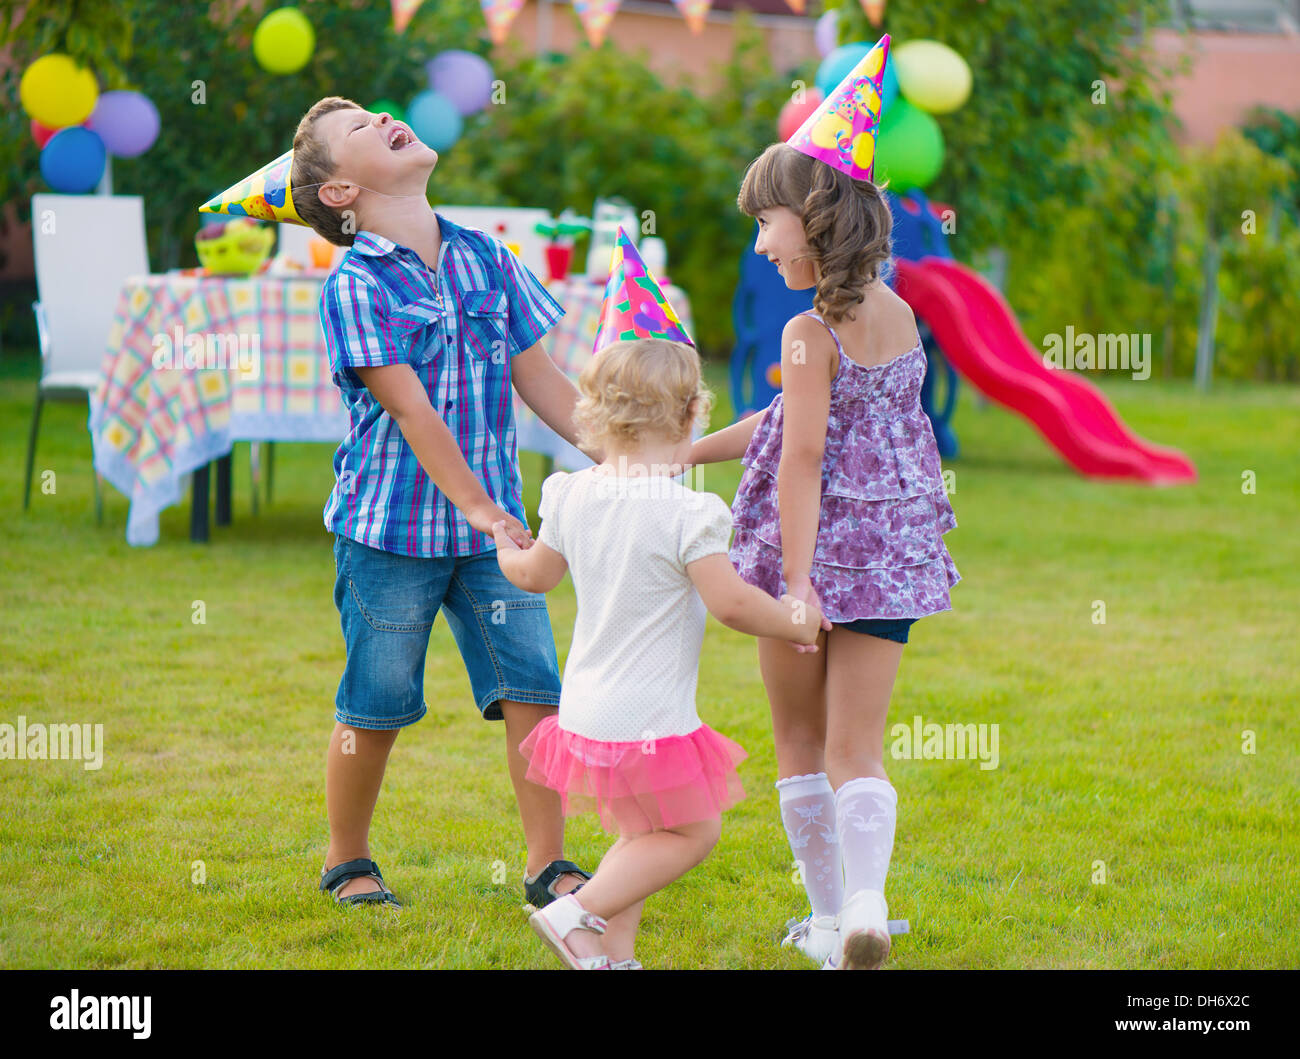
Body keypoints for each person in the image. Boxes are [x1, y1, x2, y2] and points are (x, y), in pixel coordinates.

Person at [291, 96, 598, 910]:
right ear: (340, 195)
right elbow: (412, 410)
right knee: (376, 700)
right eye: (358, 127)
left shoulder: (487, 258)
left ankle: (549, 865)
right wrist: (484, 509)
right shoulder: (355, 285)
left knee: (534, 686)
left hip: (490, 531)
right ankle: (347, 859)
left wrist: (622, 454)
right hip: (390, 533)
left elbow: (543, 383)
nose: (385, 116)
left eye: (381, 112)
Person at [686, 131, 961, 969]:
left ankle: (826, 916)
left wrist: (796, 586)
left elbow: (802, 458)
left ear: (813, 219)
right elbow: (785, 428)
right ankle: (871, 903)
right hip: (887, 561)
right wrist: (682, 452)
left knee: (801, 743)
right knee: (858, 748)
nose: (760, 243)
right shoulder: (900, 313)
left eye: (767, 221)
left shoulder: (809, 332)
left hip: (801, 563)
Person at [493, 337, 825, 969]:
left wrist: (506, 548)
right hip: (649, 714)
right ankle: (571, 912)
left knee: (643, 833)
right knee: (691, 833)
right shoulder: (690, 512)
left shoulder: (569, 494)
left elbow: (535, 576)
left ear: (593, 414)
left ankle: (611, 956)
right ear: (690, 415)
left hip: (586, 708)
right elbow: (730, 605)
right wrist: (793, 617)